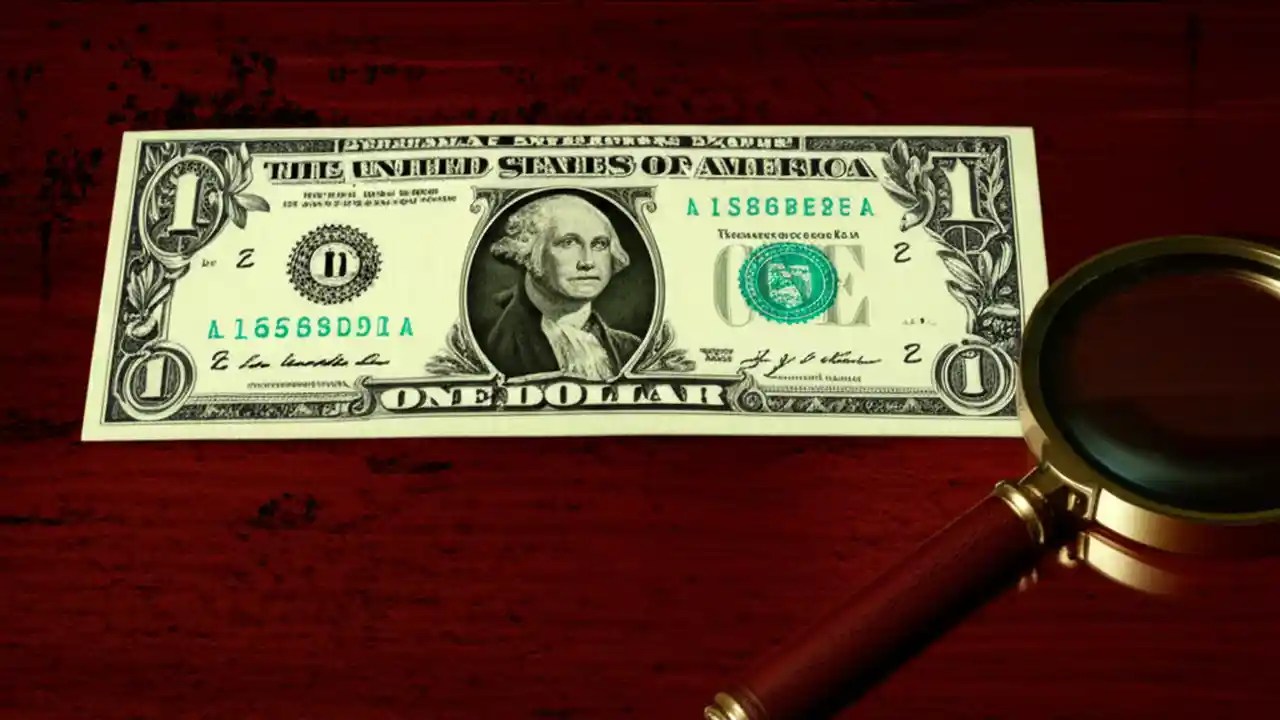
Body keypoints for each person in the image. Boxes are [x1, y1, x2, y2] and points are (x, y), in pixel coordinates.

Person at [481, 193, 641, 380]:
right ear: (528, 251)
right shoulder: (491, 346)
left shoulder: (631, 348)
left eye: (600, 244)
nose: (587, 262)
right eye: (568, 243)